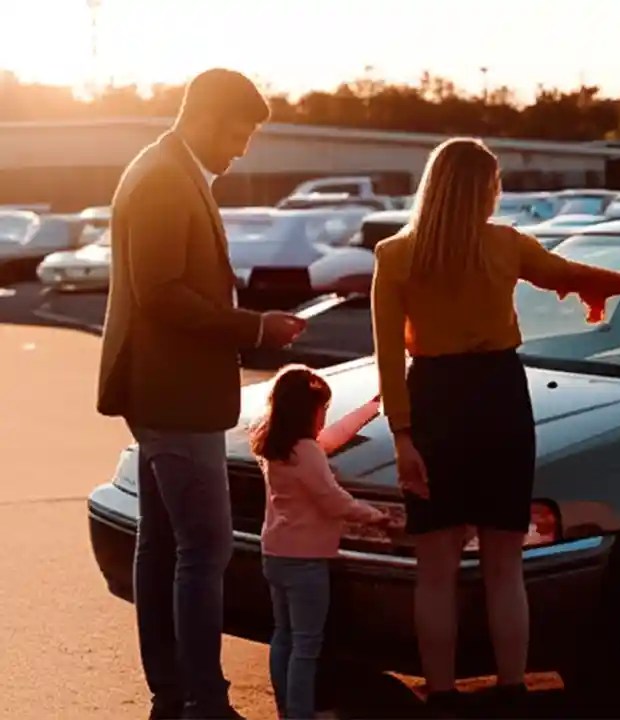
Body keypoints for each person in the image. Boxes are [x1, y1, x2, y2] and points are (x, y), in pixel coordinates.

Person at [371, 137, 620, 715]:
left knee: (436, 572)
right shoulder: (506, 245)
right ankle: (511, 691)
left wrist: (402, 437)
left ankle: (442, 697)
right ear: (486, 189)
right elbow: (572, 274)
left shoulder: (396, 255)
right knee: (505, 565)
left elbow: (387, 359)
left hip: (435, 403)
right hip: (499, 398)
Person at [96, 68, 307, 719]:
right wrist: (256, 327)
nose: (242, 148)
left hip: (164, 393)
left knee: (162, 547)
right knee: (204, 551)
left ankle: (173, 690)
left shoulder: (166, 168)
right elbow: (161, 294)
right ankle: (204, 700)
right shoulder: (164, 176)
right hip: (174, 396)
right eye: (241, 132)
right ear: (209, 117)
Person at [250, 365, 390, 720]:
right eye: (321, 410)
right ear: (305, 412)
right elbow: (332, 500)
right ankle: (301, 713)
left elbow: (331, 438)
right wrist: (374, 515)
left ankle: (286, 709)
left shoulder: (274, 446)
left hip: (276, 554)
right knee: (307, 644)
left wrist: (371, 407)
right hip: (306, 561)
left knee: (283, 636)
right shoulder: (307, 453)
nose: (324, 417)